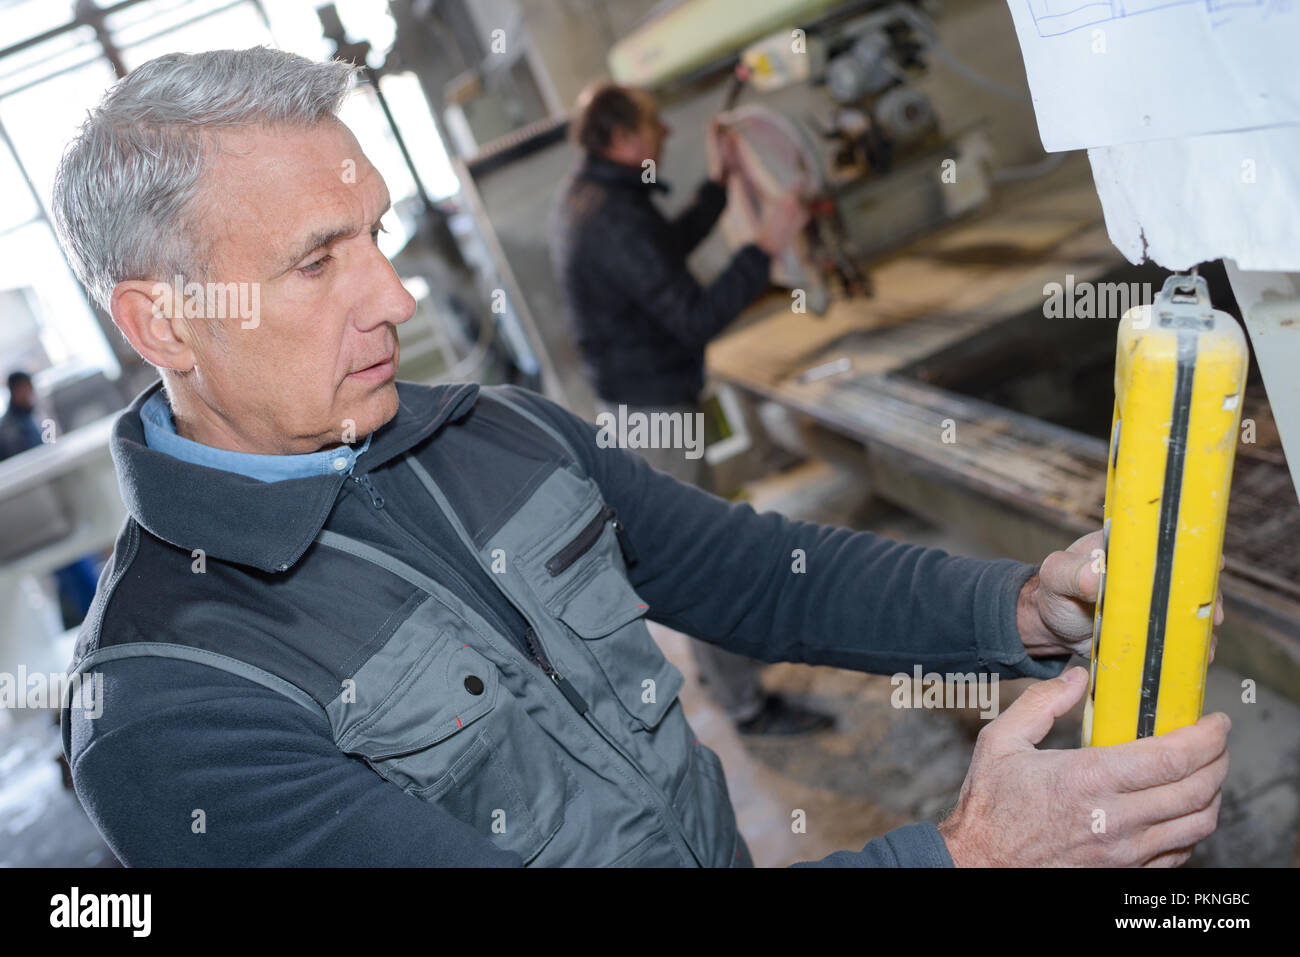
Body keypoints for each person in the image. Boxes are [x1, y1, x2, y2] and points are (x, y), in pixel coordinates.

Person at [55, 48, 1228, 867]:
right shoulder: (172, 707)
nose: (397, 297)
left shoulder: (492, 434)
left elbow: (757, 576)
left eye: (380, 238)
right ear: (162, 322)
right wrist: (961, 857)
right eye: (318, 263)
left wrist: (1021, 606)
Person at [550, 83, 831, 735]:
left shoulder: (602, 195)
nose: (666, 134)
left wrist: (716, 185)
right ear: (622, 139)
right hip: (655, 416)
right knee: (702, 562)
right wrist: (765, 245)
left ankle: (720, 673)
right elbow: (693, 316)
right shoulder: (611, 214)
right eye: (653, 124)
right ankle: (748, 706)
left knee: (689, 550)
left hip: (641, 403)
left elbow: (663, 255)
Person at [0, 370, 101, 627]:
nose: (31, 395)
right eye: (28, 389)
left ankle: (91, 620)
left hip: (48, 514)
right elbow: (31, 471)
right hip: (40, 518)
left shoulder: (23, 420)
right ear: (19, 389)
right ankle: (96, 621)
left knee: (74, 569)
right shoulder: (13, 428)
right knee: (74, 567)